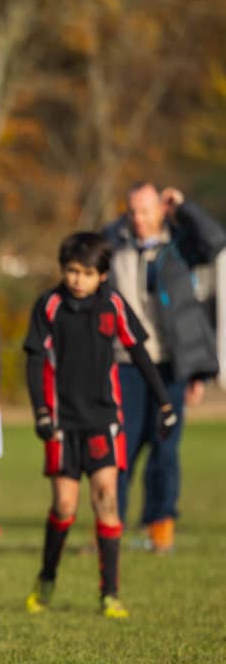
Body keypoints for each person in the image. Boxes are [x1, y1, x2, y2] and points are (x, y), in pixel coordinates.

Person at [24, 232, 176, 617]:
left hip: (104, 418)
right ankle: (47, 577)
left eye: (87, 273)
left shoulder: (112, 304)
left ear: (102, 275)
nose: (78, 279)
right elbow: (35, 361)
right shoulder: (50, 304)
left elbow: (139, 352)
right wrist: (41, 411)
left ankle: (110, 593)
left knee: (106, 498)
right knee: (64, 505)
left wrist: (163, 401)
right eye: (72, 271)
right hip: (62, 421)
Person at [103, 183, 224, 553]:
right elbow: (90, 247)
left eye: (146, 210)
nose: (139, 219)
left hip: (172, 366)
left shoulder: (181, 244)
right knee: (119, 447)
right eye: (133, 211)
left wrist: (183, 209)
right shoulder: (116, 244)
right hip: (126, 363)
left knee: (165, 447)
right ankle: (111, 526)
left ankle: (161, 528)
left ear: (161, 209)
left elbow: (215, 241)